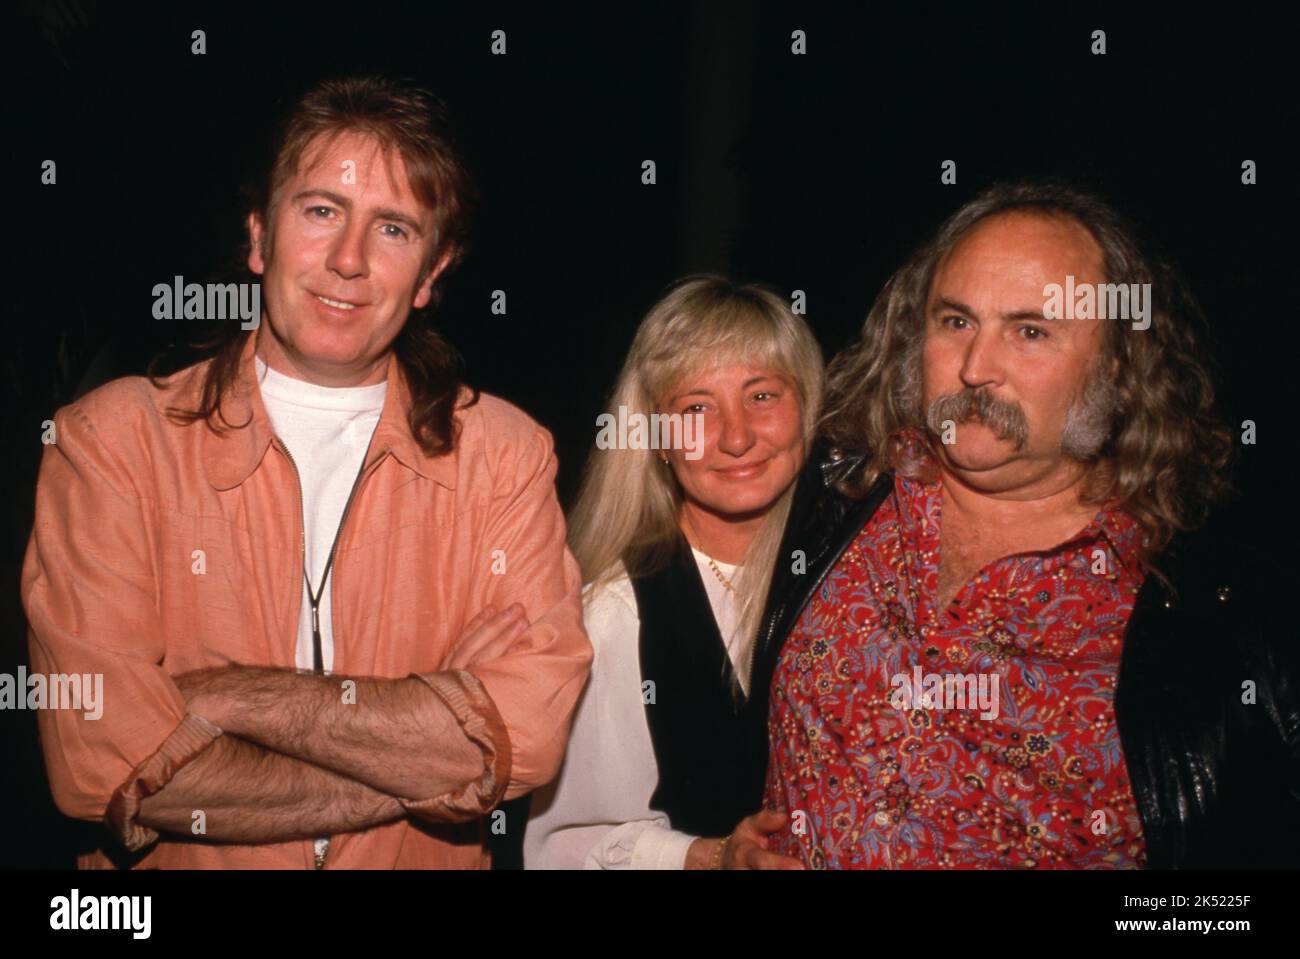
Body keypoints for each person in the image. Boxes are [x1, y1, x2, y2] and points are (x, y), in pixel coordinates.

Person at [21, 75, 592, 869]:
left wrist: (228, 697)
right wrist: (434, 735)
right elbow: (104, 768)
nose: (349, 260)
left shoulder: (504, 455)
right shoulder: (112, 442)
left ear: (432, 272)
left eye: (392, 228)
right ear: (259, 237)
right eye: (321, 210)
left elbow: (524, 740)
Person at [755, 180, 1299, 869]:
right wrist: (714, 852)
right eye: (956, 322)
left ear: (1116, 364)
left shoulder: (1216, 624)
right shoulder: (828, 494)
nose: (976, 368)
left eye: (1030, 331)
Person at [525, 276, 820, 869]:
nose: (737, 437)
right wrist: (709, 856)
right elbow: (555, 847)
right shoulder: (618, 611)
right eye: (696, 409)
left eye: (762, 396)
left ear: (808, 408)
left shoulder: (855, 569)